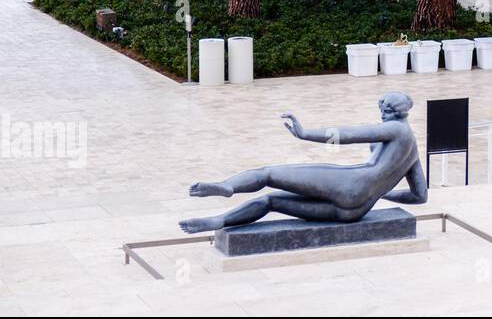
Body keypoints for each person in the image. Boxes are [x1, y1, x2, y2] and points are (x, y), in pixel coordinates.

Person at [179, 93, 427, 233]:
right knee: (271, 202)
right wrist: (383, 194)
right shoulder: (412, 148)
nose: (382, 112)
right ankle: (218, 221)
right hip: (357, 210)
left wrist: (306, 134)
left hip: (350, 183)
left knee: (267, 174)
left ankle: (227, 187)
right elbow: (419, 196)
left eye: (385, 108)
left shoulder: (394, 129)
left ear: (395, 112)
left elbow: (348, 134)